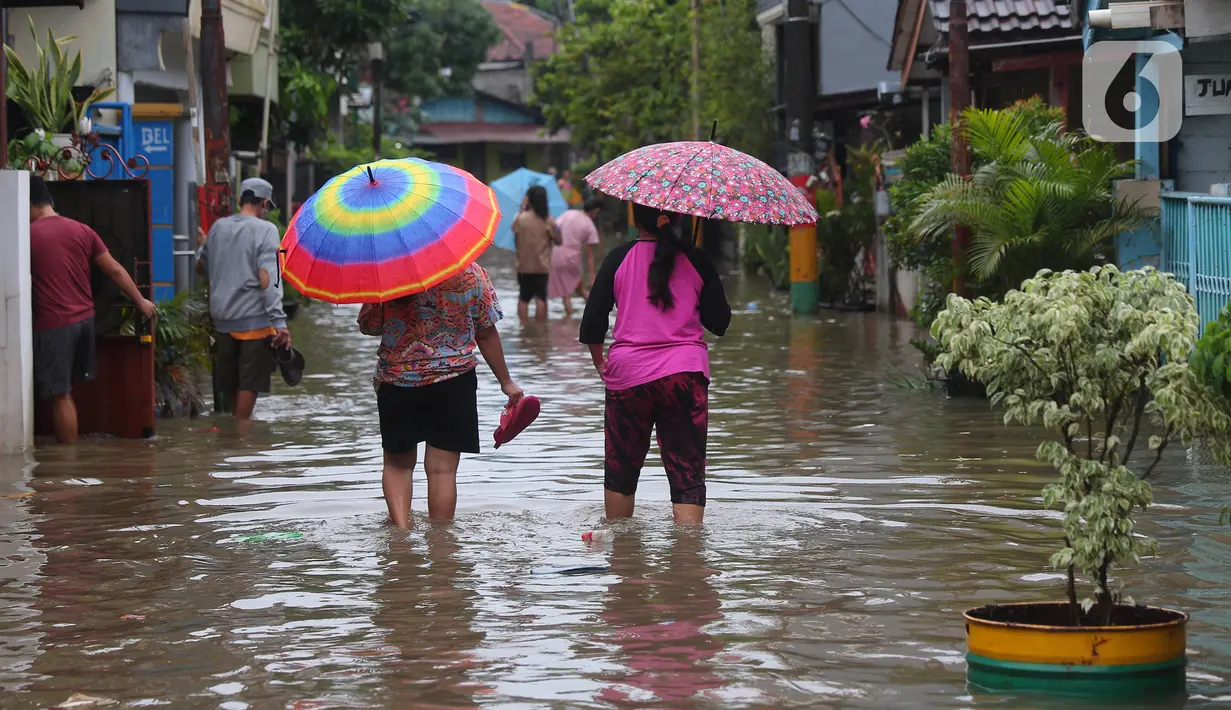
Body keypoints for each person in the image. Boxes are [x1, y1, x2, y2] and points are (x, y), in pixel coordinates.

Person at [579, 203, 732, 525]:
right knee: (688, 473)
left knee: (620, 469)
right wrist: (699, 277)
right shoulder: (696, 260)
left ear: (636, 220)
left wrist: (598, 361)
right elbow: (719, 322)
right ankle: (689, 551)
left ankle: (621, 548)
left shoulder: (618, 258)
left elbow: (593, 321)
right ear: (676, 218)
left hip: (628, 375)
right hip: (685, 376)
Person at [357, 262, 524, 529]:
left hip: (399, 380)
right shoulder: (471, 273)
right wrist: (506, 382)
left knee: (398, 466)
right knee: (442, 470)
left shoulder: (388, 272)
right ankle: (441, 540)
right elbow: (486, 331)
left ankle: (401, 535)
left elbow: (369, 325)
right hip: (454, 380)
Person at [27, 175, 157, 444]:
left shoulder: (27, 235)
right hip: (86, 321)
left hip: (55, 324)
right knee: (69, 391)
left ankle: (68, 460)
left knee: (60, 395)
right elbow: (115, 269)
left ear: (28, 203)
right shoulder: (82, 230)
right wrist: (140, 301)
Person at [196, 177, 290, 421]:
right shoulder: (267, 230)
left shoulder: (217, 228)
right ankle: (242, 435)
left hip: (222, 321)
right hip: (254, 322)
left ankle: (234, 432)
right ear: (265, 204)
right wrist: (279, 322)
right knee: (250, 383)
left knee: (231, 381)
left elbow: (200, 266)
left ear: (240, 200)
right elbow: (268, 278)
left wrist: (205, 245)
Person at [511, 185, 561, 323]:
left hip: (523, 266)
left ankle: (523, 326)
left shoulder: (520, 219)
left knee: (523, 297)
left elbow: (515, 240)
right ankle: (540, 328)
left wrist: (522, 209)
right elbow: (559, 240)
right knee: (541, 297)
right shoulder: (548, 220)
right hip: (542, 266)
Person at [548, 197, 603, 319]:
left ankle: (571, 318)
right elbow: (590, 255)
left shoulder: (568, 214)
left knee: (569, 293)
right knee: (577, 290)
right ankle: (592, 314)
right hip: (572, 260)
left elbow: (555, 228)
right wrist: (593, 276)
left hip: (556, 256)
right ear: (596, 211)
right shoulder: (589, 225)